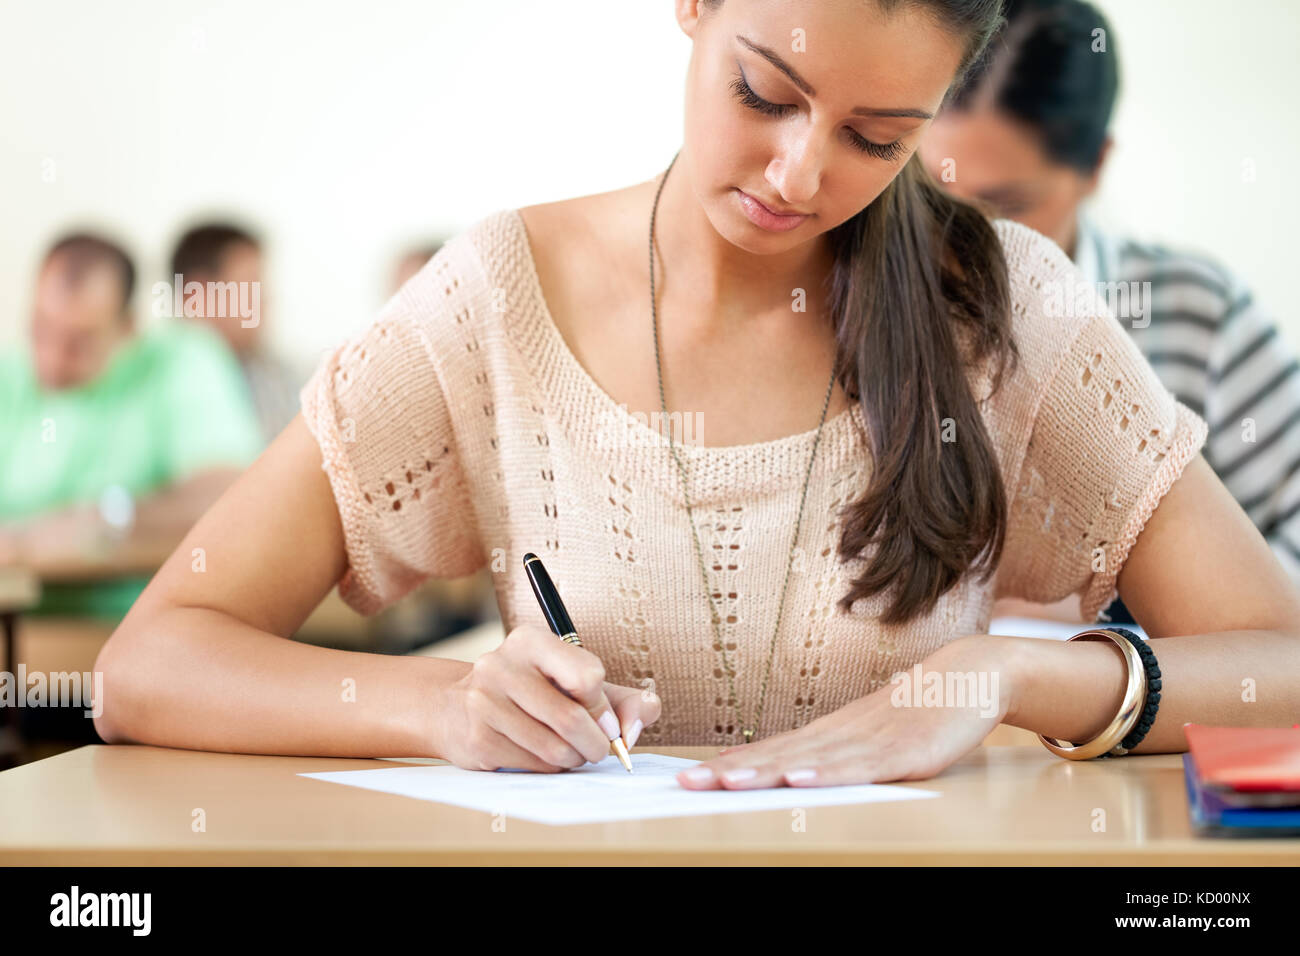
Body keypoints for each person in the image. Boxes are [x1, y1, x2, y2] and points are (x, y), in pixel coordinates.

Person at [94, 0, 1299, 790]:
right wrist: (444, 700)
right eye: (765, 94)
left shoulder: (1006, 308)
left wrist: (1001, 675)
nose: (798, 174)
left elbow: (1279, 660)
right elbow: (147, 665)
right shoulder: (501, 298)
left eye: (877, 139)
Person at [918, 0, 1300, 624]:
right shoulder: (865, 304)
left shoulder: (1198, 314)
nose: (959, 244)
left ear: (1095, 166)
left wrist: (1105, 614)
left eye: (1006, 205)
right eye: (933, 196)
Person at [0, 232, 264, 620]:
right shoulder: (11, 377)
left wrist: (103, 520)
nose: (53, 360)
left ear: (127, 327)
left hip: (135, 634)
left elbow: (229, 496)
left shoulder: (183, 361)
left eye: (79, 343)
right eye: (41, 331)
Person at [169, 221, 305, 445]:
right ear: (197, 295)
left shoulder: (279, 377)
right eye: (252, 284)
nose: (266, 299)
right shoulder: (154, 381)